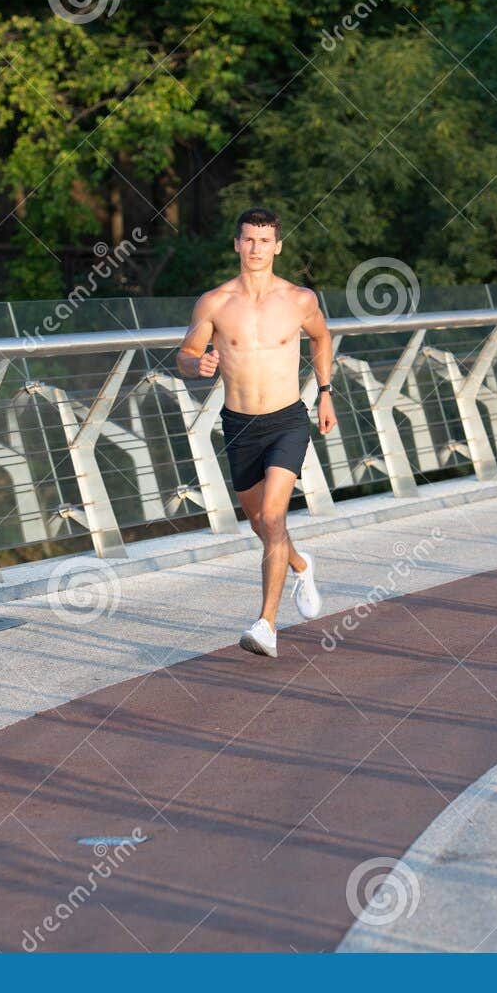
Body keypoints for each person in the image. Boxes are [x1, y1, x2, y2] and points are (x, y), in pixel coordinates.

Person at [176, 206, 337, 656]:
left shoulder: (299, 299)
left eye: (264, 241)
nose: (256, 248)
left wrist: (325, 392)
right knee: (260, 524)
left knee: (272, 517)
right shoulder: (214, 302)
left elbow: (321, 338)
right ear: (236, 244)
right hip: (238, 424)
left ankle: (266, 625)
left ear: (277, 247)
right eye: (248, 239)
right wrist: (196, 364)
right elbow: (185, 353)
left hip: (287, 420)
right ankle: (300, 565)